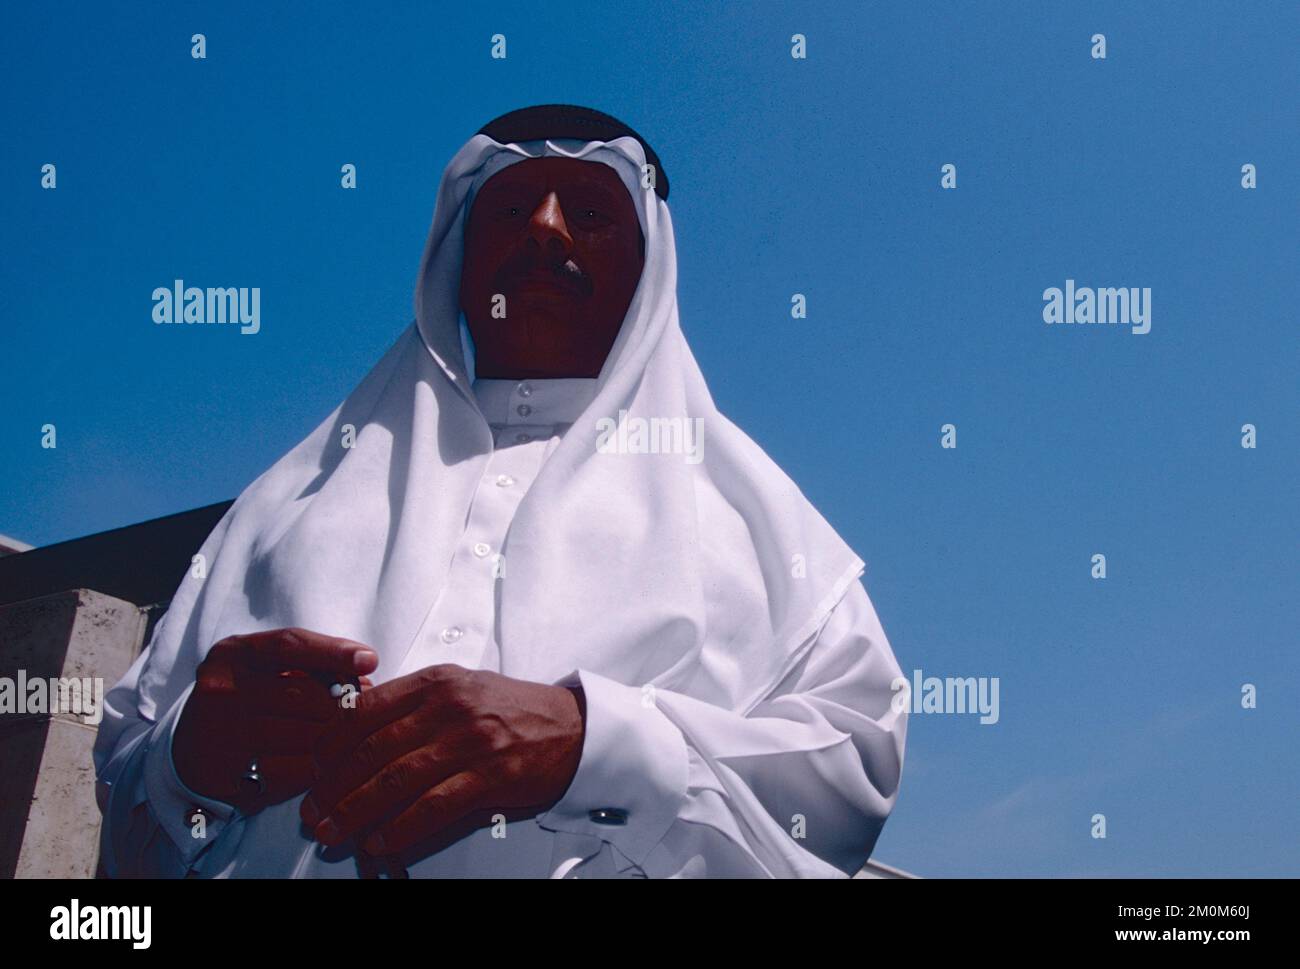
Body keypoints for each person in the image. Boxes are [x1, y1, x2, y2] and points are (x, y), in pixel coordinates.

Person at [93, 104, 909, 878]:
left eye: (589, 214)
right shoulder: (288, 501)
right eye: (510, 207)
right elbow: (125, 769)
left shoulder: (755, 517)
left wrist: (594, 743)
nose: (546, 230)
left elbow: (849, 774)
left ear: (648, 268)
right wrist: (187, 758)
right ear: (457, 253)